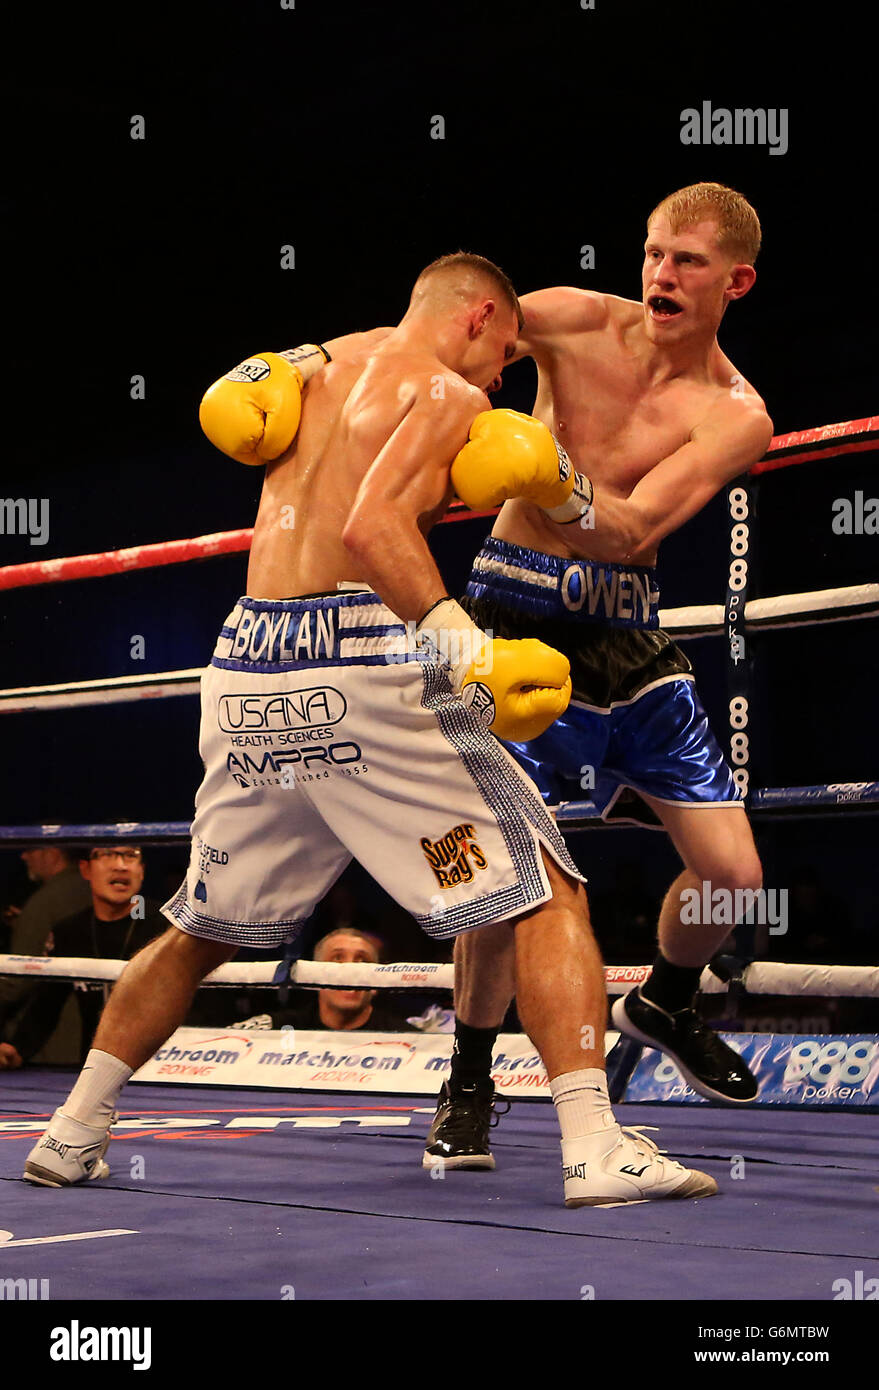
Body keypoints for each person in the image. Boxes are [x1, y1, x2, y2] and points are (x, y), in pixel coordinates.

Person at [24, 252, 715, 1205]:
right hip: (359, 660)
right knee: (546, 890)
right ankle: (594, 1147)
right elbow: (371, 529)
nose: (503, 378)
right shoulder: (444, 393)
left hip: (246, 670)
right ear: (476, 317)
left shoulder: (315, 363)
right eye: (504, 352)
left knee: (198, 926)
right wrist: (461, 645)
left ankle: (71, 1131)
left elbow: (261, 430)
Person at [430, 183, 772, 1166]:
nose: (661, 274)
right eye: (655, 252)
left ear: (735, 281)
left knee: (735, 878)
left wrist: (545, 471)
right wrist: (332, 366)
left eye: (689, 262)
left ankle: (664, 1000)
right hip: (514, 614)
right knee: (510, 881)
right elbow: (453, 325)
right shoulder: (575, 322)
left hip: (624, 625)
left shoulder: (738, 415)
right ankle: (467, 1078)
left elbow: (632, 525)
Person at [0, 845, 165, 1069]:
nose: (120, 865)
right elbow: (47, 1002)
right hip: (93, 1071)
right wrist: (18, 1049)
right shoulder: (70, 931)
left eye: (130, 856)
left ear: (142, 871)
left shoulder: (165, 925)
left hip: (168, 1067)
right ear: (86, 869)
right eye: (107, 854)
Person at [233, 928, 417, 1032]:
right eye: (337, 958)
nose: (350, 970)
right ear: (312, 975)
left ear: (377, 985)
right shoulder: (272, 1028)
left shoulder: (406, 1038)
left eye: (363, 961)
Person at [0, 845, 91, 1038]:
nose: (24, 856)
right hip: (96, 1030)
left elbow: (18, 981)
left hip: (55, 1035)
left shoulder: (43, 902)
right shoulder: (91, 891)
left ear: (52, 854)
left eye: (31, 849)